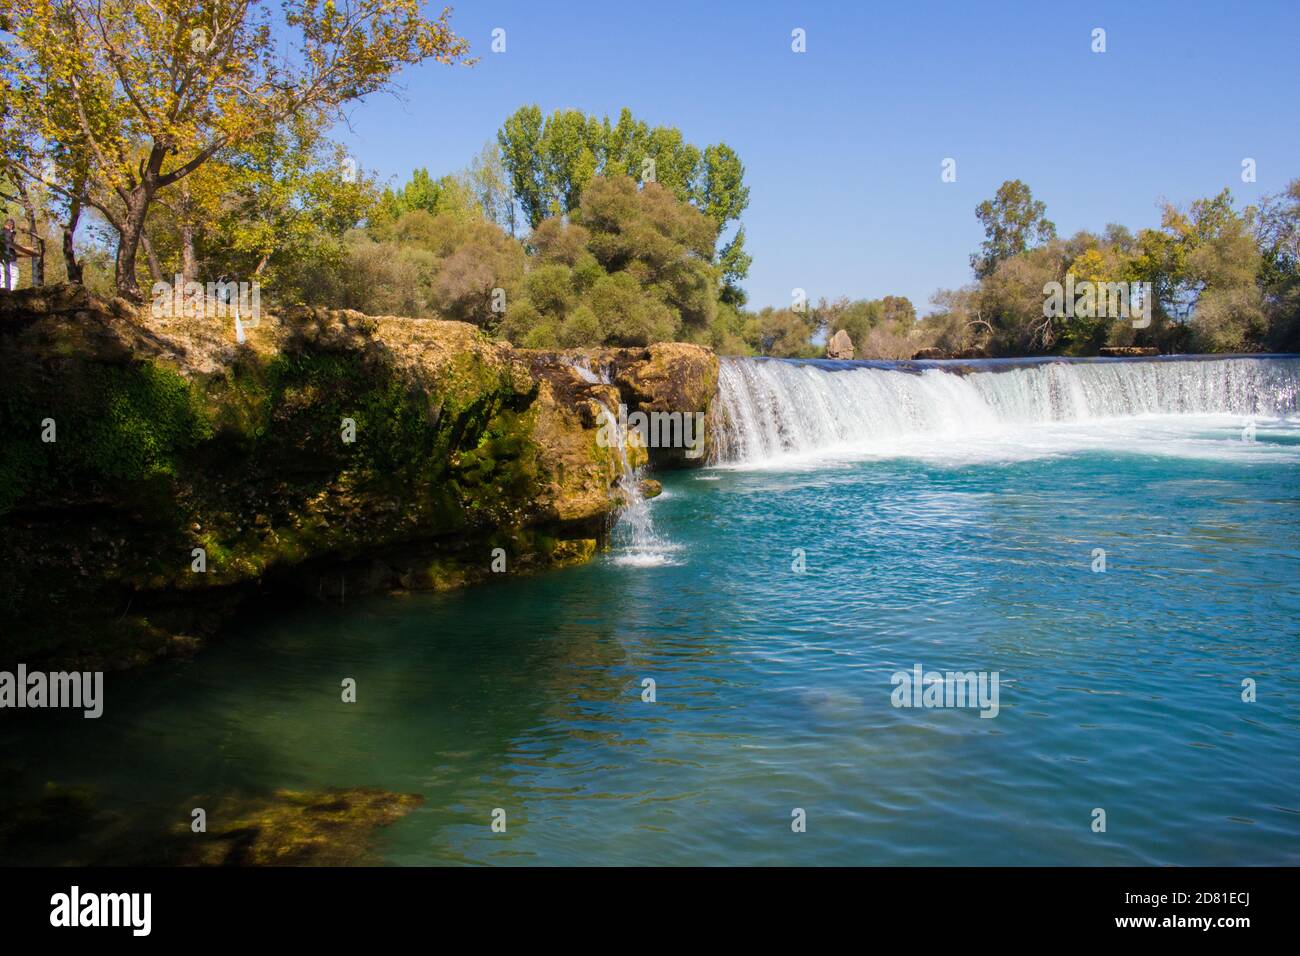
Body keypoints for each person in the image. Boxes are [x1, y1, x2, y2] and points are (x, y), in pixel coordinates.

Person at [1, 218, 37, 291]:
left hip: (3, 258)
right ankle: (8, 292)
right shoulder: (7, 232)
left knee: (3, 277)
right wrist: (29, 249)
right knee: (14, 276)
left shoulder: (2, 233)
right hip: (8, 258)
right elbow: (8, 244)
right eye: (12, 227)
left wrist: (26, 251)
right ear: (11, 226)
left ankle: (4, 293)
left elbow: (10, 247)